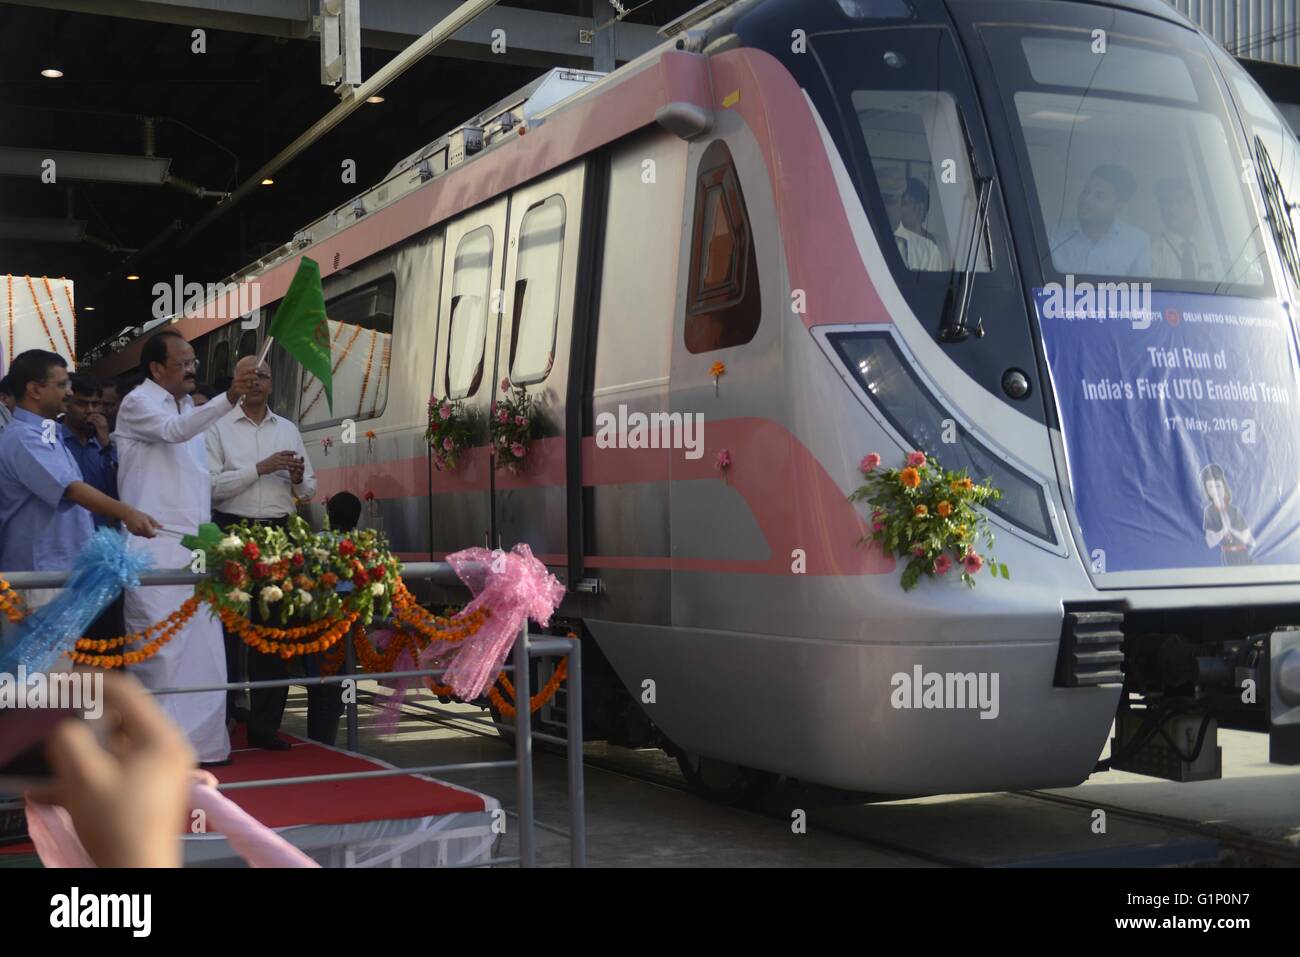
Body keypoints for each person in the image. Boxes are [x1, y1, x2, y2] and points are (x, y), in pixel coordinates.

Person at [115, 332, 257, 765]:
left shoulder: (189, 408)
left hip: (197, 548)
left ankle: (204, 747)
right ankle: (155, 751)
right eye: (183, 363)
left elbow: (199, 477)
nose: (192, 368)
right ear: (157, 369)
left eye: (194, 361)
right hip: (153, 547)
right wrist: (229, 397)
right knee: (160, 651)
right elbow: (174, 433)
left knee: (207, 653)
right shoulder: (139, 403)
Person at [206, 357, 315, 750]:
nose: (255, 382)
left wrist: (299, 479)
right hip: (231, 530)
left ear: (271, 384)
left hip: (278, 533)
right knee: (229, 631)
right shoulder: (217, 426)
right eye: (247, 376)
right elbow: (210, 487)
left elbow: (309, 489)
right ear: (236, 381)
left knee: (274, 631)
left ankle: (266, 726)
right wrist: (259, 468)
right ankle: (222, 720)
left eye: (262, 376)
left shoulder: (286, 428)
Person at [0, 350, 158, 619]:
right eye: (61, 385)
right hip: (37, 578)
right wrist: (127, 513)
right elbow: (70, 489)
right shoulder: (25, 438)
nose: (69, 392)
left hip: (57, 574)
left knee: (60, 662)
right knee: (33, 663)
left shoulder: (45, 432)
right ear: (34, 390)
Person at [1049, 164, 1152, 276]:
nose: (1086, 199)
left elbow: (1140, 292)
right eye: (1086, 191)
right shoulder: (1051, 233)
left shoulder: (1138, 242)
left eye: (1099, 196)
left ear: (1119, 206)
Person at [61, 375, 118, 528]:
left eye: (95, 404)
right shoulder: (53, 440)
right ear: (66, 404)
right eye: (82, 404)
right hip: (67, 533)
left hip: (102, 535)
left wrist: (106, 444)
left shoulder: (105, 443)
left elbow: (118, 489)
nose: (90, 411)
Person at [1151, 177, 1212, 281]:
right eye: (1166, 203)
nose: (1172, 208)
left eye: (1180, 202)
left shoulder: (1210, 251)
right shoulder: (1153, 254)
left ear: (1195, 209)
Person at [1201, 463, 1254, 566]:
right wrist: (1223, 531)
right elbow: (1210, 542)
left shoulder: (1234, 510)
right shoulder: (1209, 512)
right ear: (1207, 490)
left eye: (1218, 486)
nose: (1215, 490)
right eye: (1211, 487)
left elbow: (1248, 537)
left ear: (1223, 485)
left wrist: (1232, 530)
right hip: (1227, 555)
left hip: (1243, 553)